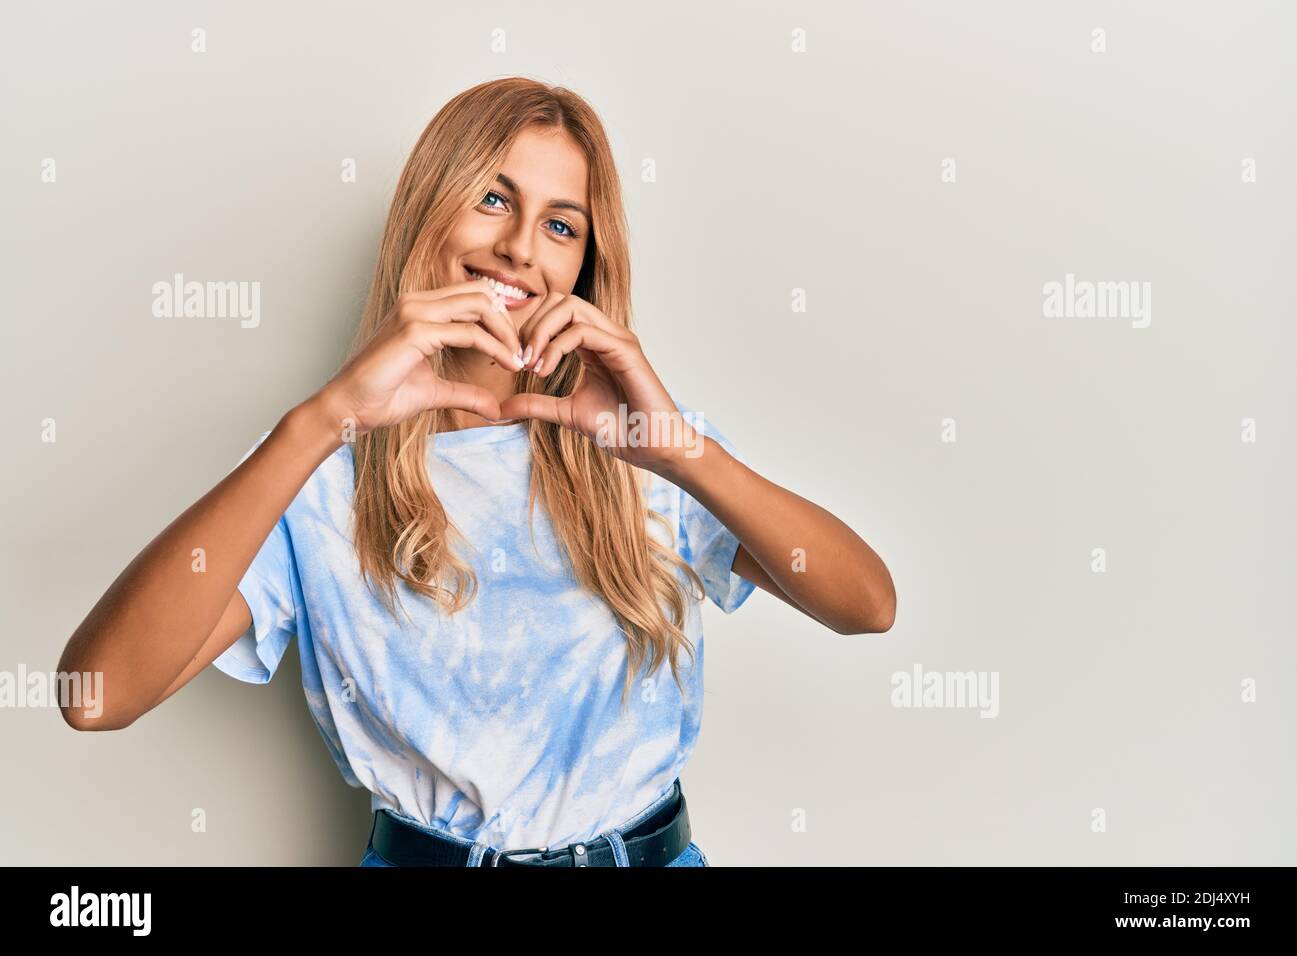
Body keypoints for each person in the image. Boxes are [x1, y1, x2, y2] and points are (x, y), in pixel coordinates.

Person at [57, 76, 896, 867]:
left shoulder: (645, 451)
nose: (519, 248)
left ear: (582, 269)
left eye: (561, 226)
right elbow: (95, 696)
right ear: (429, 208)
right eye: (493, 199)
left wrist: (680, 452)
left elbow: (868, 606)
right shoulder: (313, 473)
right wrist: (317, 421)